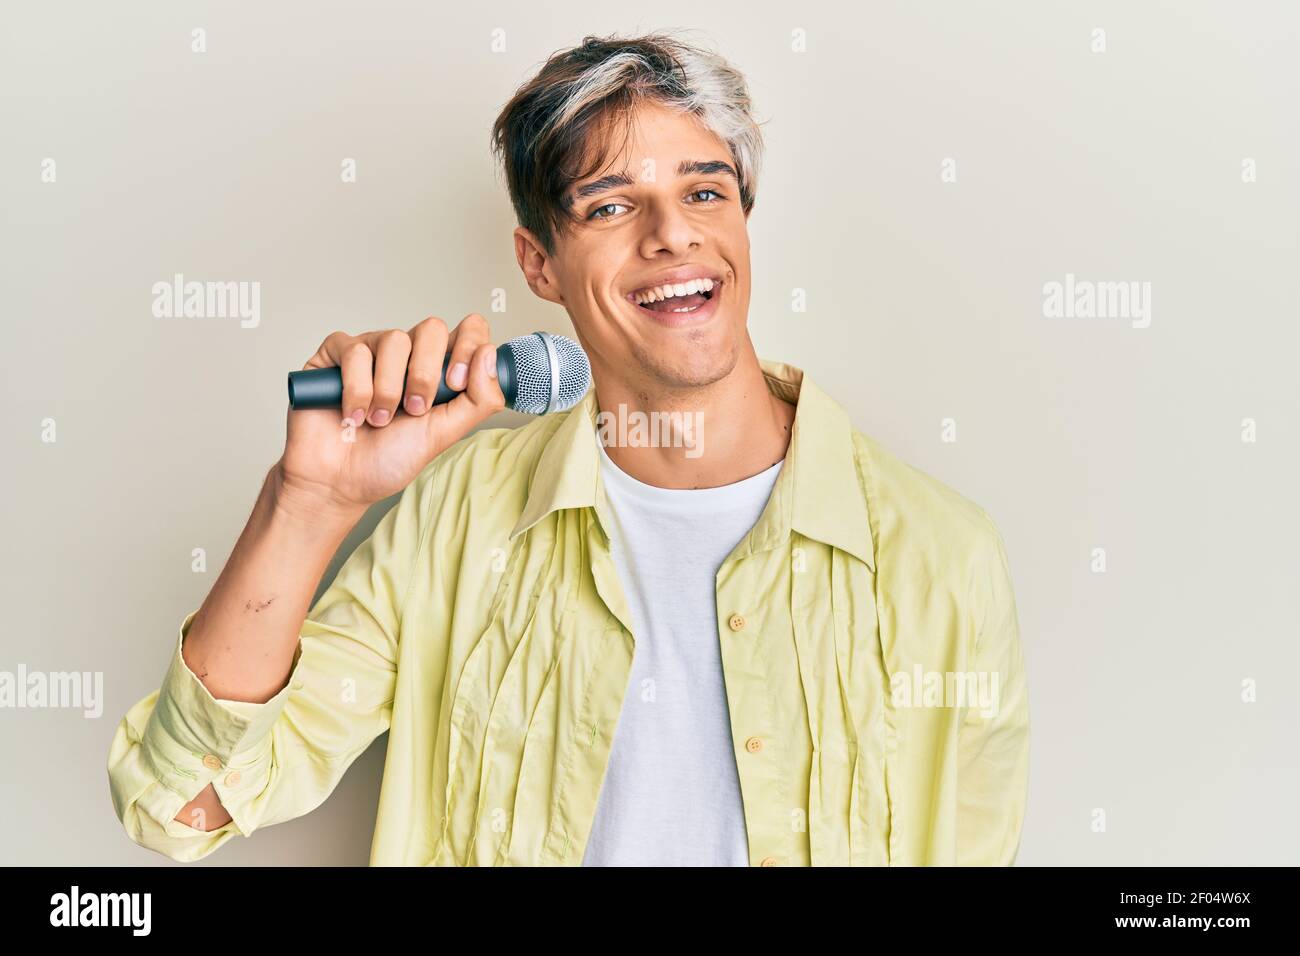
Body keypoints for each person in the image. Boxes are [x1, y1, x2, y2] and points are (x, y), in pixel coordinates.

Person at [107, 31, 1029, 866]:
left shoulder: (940, 554)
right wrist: (307, 503)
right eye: (611, 207)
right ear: (538, 264)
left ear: (742, 221)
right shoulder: (457, 518)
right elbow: (176, 806)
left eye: (704, 191)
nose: (674, 235)